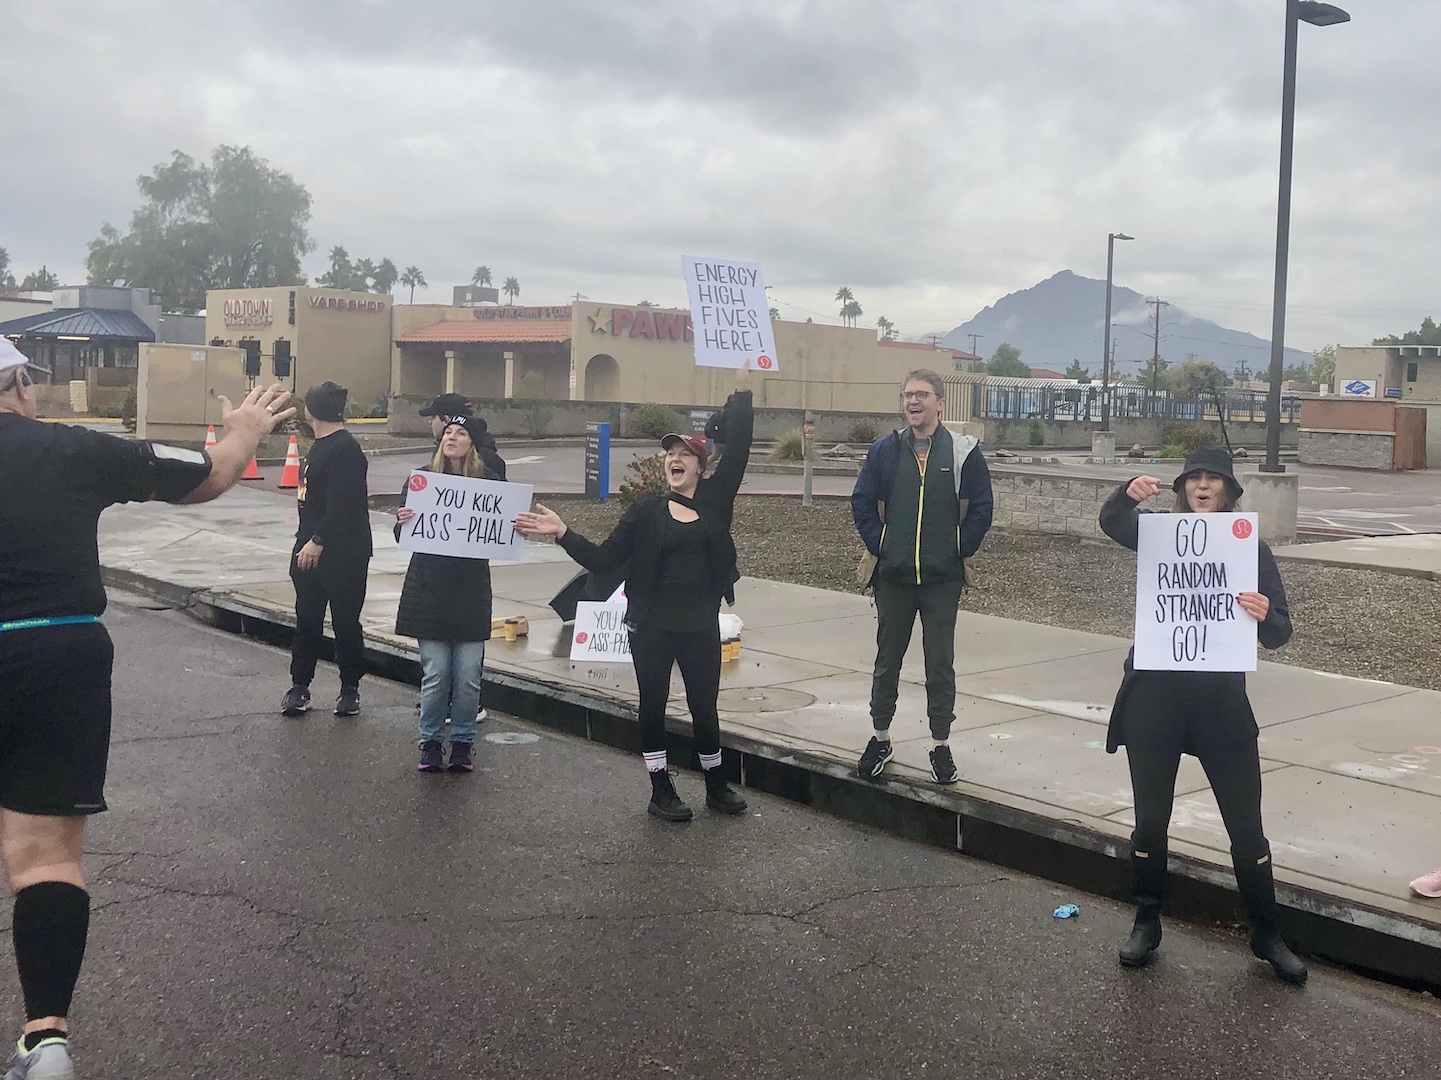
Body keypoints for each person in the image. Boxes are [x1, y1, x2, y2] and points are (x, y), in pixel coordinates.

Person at [0, 337, 295, 1079]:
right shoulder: (72, 450)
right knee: (45, 859)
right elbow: (212, 477)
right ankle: (46, 1041)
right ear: (19, 385)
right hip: (56, 650)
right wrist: (247, 430)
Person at [1099, 447, 1307, 984]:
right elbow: (1112, 522)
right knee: (1150, 819)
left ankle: (1266, 933)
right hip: (1156, 698)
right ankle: (1147, 920)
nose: (1203, 486)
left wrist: (1264, 616)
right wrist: (1126, 493)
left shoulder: (1250, 548)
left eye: (1214, 479)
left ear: (1230, 491)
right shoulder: (1160, 536)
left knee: (1246, 826)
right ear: (1182, 488)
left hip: (1220, 702)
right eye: (1194, 478)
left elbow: (1281, 630)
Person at [516, 363, 753, 821]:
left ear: (701, 467)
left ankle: (716, 785)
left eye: (683, 453)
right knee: (653, 704)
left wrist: (742, 393)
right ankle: (660, 789)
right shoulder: (646, 513)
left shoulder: (715, 500)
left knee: (705, 707)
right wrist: (563, 531)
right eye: (669, 454)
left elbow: (739, 447)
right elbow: (604, 560)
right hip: (652, 625)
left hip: (699, 623)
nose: (673, 458)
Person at [851, 369, 993, 785]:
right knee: (887, 660)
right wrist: (881, 544)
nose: (914, 402)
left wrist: (959, 547)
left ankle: (940, 744)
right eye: (908, 395)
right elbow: (861, 501)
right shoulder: (884, 451)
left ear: (940, 403)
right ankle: (880, 737)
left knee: (940, 665)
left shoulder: (963, 452)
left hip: (941, 579)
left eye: (922, 395)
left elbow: (983, 507)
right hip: (893, 577)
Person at [394, 415, 496, 773]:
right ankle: (431, 742)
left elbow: (501, 531)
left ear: (472, 443)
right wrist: (402, 521)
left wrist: (516, 528)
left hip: (470, 591)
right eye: (448, 432)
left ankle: (463, 743)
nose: (452, 437)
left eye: (461, 433)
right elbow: (402, 534)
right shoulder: (421, 479)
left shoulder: (488, 484)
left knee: (468, 676)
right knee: (436, 673)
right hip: (429, 590)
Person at [281, 382, 373, 719]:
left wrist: (318, 541)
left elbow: (345, 505)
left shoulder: (345, 450)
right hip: (306, 548)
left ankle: (350, 690)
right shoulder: (318, 447)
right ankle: (299, 687)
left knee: (346, 622)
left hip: (343, 553)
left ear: (312, 411)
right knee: (307, 620)